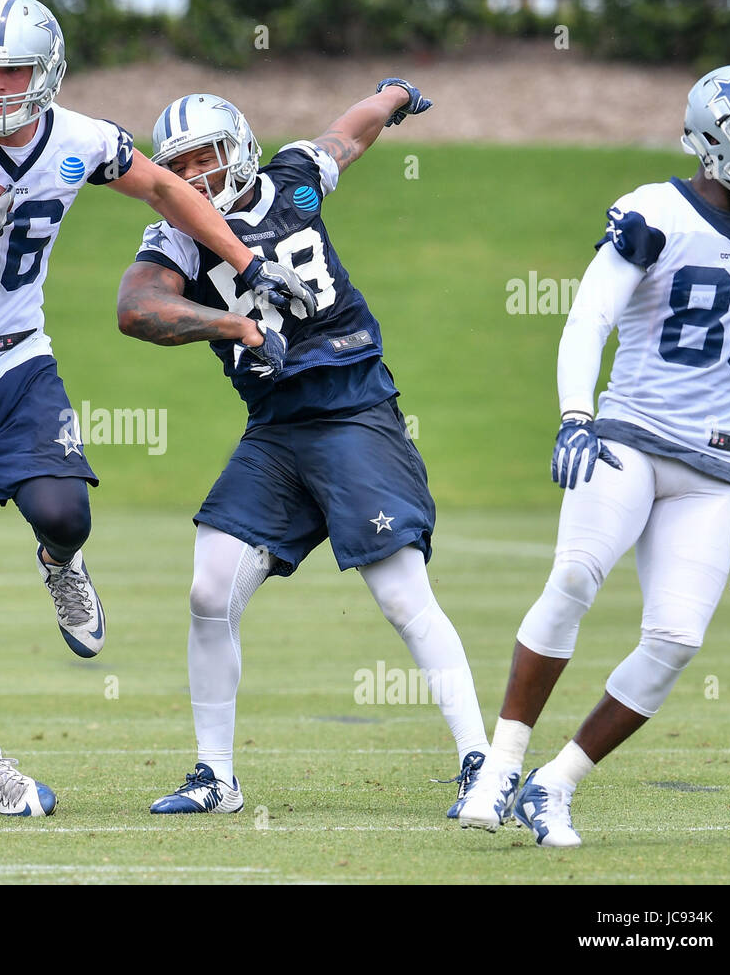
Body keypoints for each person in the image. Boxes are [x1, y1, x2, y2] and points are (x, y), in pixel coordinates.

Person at [0, 0, 314, 817]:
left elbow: (165, 188)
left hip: (15, 357)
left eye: (12, 70)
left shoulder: (82, 141)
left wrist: (246, 258)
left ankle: (59, 565)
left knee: (64, 513)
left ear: (48, 71)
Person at [116, 83, 490, 814]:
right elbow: (135, 308)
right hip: (276, 429)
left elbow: (347, 134)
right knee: (209, 589)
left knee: (401, 594)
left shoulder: (293, 178)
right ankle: (216, 777)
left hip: (354, 411)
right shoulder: (176, 234)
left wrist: (393, 95)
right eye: (180, 167)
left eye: (206, 159)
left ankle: (483, 761)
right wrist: (237, 329)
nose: (195, 179)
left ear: (242, 148)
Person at [452, 65, 730, 847]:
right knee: (576, 574)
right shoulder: (656, 211)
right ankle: (501, 763)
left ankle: (554, 784)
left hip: (710, 470)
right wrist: (574, 416)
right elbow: (588, 320)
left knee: (678, 641)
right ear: (717, 141)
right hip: (626, 438)